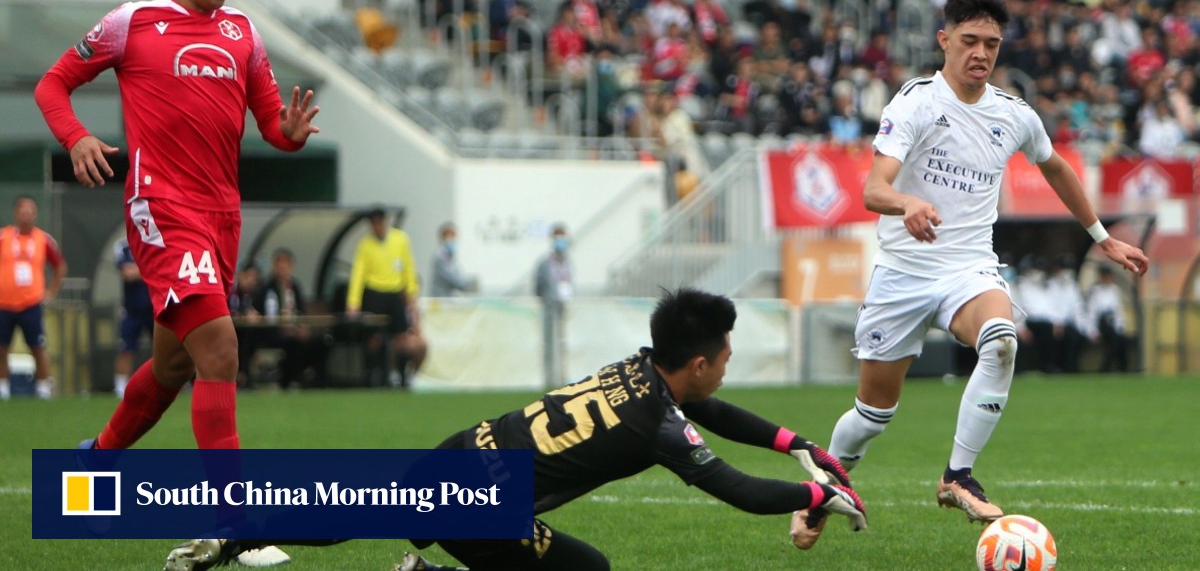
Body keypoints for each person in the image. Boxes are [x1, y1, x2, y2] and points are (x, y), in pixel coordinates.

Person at [163, 288, 868, 571]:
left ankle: (232, 534)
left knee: (359, 513)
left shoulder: (639, 368)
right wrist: (816, 495)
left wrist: (795, 444)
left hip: (463, 450)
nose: (727, 367)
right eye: (725, 358)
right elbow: (739, 490)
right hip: (486, 509)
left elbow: (706, 408)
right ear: (698, 362)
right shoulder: (657, 422)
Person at [822, 0, 1150, 531]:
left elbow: (1056, 167)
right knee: (872, 415)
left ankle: (958, 476)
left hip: (968, 270)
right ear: (944, 40)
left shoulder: (1014, 115)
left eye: (991, 44)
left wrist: (1101, 236)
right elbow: (873, 189)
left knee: (1001, 340)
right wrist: (907, 203)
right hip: (903, 274)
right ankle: (824, 487)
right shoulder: (915, 103)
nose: (980, 53)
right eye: (969, 40)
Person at [35, 0, 317, 564]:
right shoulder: (131, 23)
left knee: (172, 367)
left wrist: (290, 135)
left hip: (222, 218)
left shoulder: (243, 33)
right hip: (162, 209)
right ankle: (234, 524)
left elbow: (272, 124)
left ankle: (91, 464)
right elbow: (53, 84)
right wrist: (76, 137)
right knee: (220, 351)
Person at [346, 208, 425, 388]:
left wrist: (411, 293)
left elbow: (408, 267)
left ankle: (402, 374)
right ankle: (372, 374)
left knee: (402, 337)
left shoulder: (401, 239)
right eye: (373, 223)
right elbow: (358, 273)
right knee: (373, 337)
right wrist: (353, 302)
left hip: (394, 292)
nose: (377, 226)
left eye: (379, 222)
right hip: (374, 292)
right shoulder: (365, 244)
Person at [0, 196, 67, 400]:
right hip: (4, 303)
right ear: (15, 213)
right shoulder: (4, 237)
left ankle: (44, 387)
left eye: (30, 211)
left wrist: (51, 291)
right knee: (2, 348)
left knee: (38, 347)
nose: (26, 215)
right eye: (23, 211)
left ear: (36, 215)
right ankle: (3, 387)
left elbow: (60, 265)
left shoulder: (43, 239)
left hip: (31, 303)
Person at [258, 248, 329, 389]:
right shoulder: (267, 287)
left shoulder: (295, 286)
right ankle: (288, 380)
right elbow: (261, 311)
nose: (282, 266)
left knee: (322, 341)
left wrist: (302, 327)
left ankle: (316, 381)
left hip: (294, 329)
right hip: (273, 331)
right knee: (292, 343)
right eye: (279, 263)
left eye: (285, 263)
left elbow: (301, 311)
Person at [113, 238, 154, 398]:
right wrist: (150, 269)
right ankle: (120, 387)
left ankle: (164, 386)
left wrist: (138, 270)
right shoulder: (124, 247)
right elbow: (128, 273)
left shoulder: (155, 242)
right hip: (131, 310)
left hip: (155, 308)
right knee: (126, 349)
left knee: (163, 350)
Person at [534, 224, 573, 389]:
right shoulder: (545, 263)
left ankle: (564, 377)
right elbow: (538, 285)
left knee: (564, 343)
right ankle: (549, 380)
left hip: (564, 307)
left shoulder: (568, 262)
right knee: (549, 345)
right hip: (549, 307)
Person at [1087, 265, 1131, 373]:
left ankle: (1122, 366)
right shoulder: (1096, 291)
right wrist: (1093, 331)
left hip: (1113, 323)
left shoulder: (1115, 291)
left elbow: (1118, 310)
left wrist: (1121, 326)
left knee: (1121, 339)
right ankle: (1106, 367)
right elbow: (1092, 312)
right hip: (1102, 323)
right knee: (1114, 338)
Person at [429, 222, 474, 297]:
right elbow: (457, 281)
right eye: (449, 235)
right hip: (440, 299)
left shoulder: (450, 256)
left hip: (448, 299)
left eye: (454, 235)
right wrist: (469, 284)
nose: (452, 239)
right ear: (442, 237)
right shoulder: (440, 256)